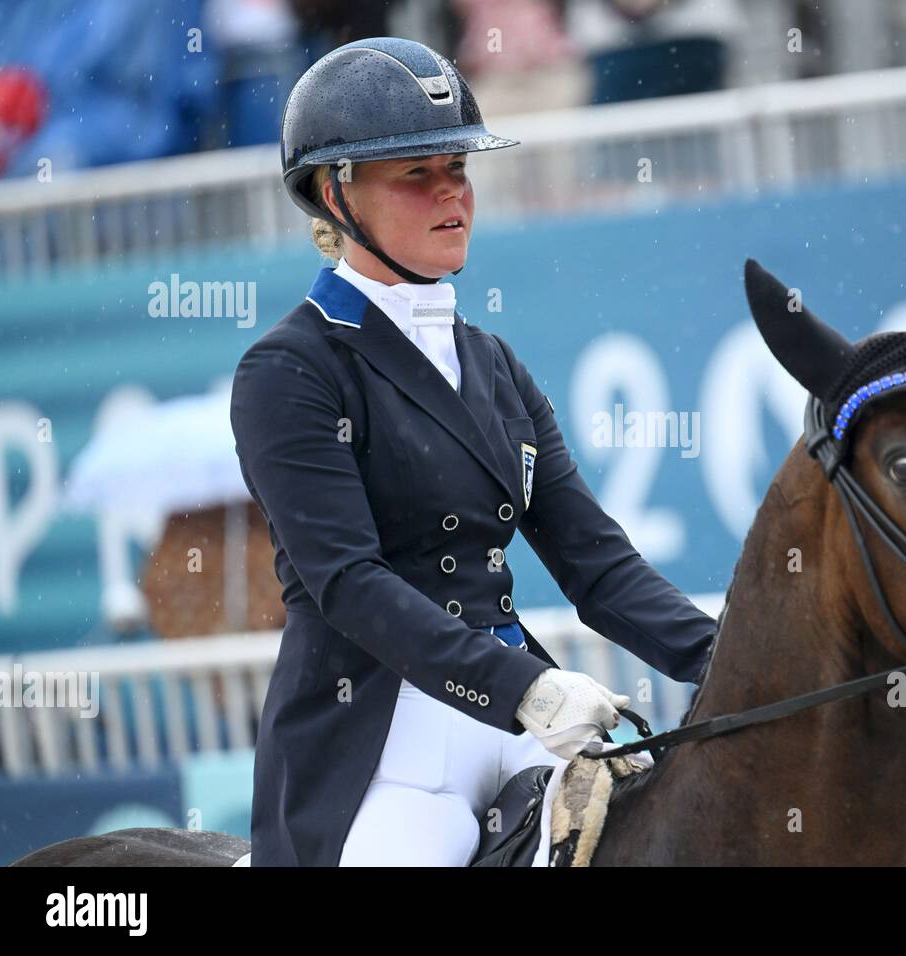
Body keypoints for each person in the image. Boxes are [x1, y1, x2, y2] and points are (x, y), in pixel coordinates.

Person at [229, 36, 717, 866]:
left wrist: (730, 654)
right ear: (333, 192)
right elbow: (349, 583)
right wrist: (522, 687)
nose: (451, 191)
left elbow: (596, 567)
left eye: (457, 165)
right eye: (415, 172)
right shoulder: (291, 370)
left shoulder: (492, 364)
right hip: (382, 748)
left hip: (523, 721)